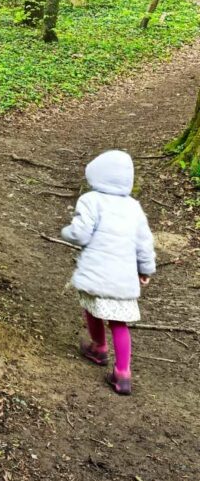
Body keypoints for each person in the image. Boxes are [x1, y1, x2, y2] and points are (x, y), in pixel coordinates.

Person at [61, 150, 156, 396]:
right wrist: (145, 268)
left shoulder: (91, 200)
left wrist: (67, 232)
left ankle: (99, 347)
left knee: (92, 308)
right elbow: (144, 242)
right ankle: (123, 374)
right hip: (123, 277)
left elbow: (80, 234)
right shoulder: (133, 207)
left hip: (97, 273)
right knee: (118, 322)